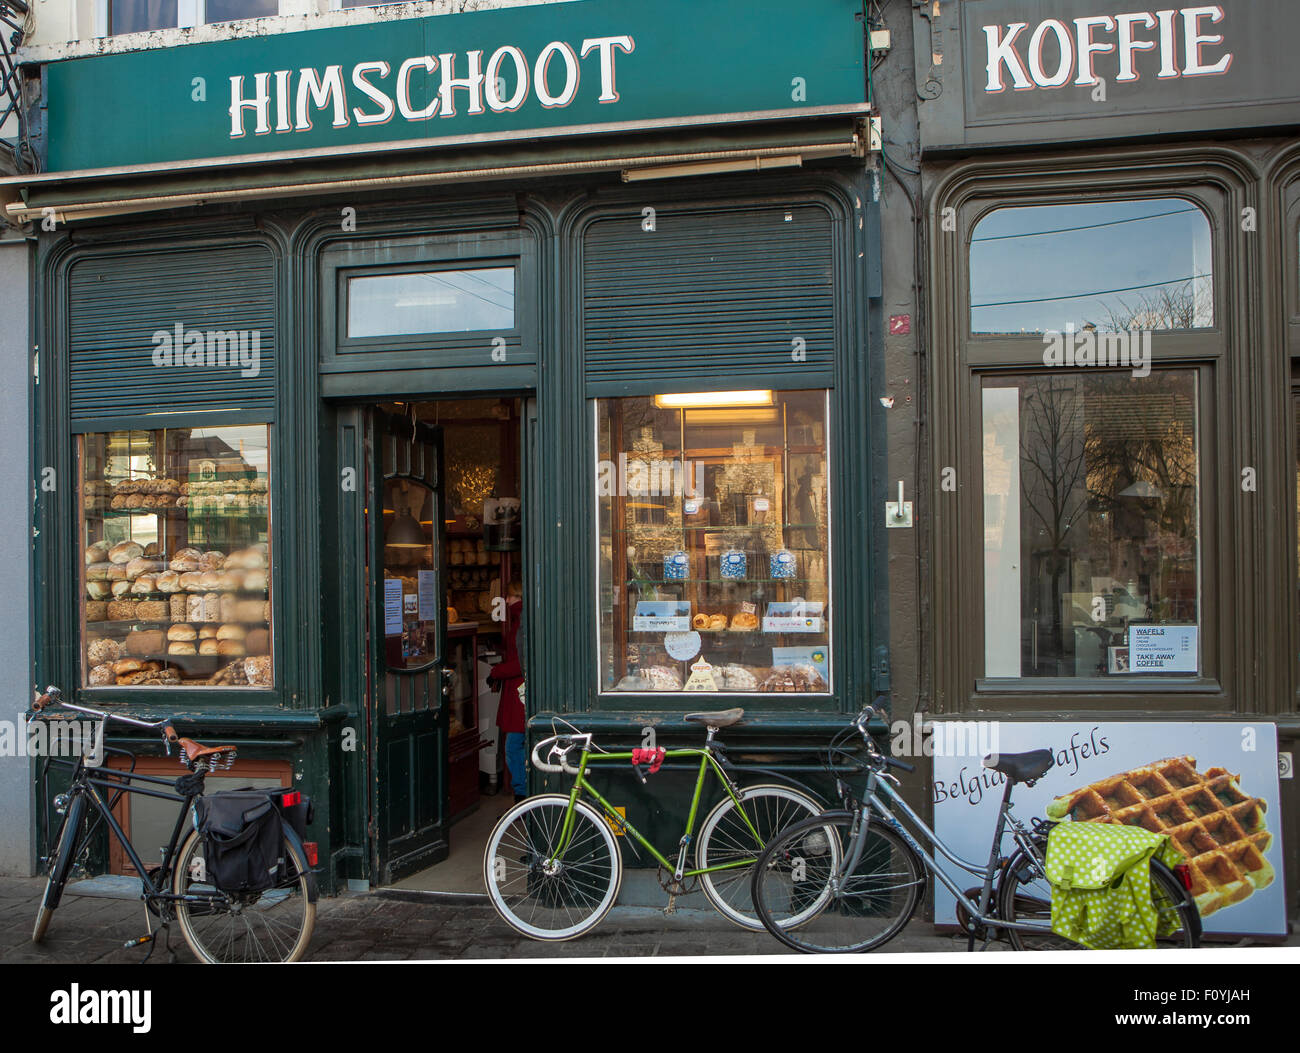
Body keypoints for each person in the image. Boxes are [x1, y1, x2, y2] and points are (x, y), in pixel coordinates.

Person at [489, 580, 527, 802]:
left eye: (510, 596)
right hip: (517, 689)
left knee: (513, 744)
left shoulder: (520, 619)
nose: (506, 600)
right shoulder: (519, 619)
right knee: (517, 742)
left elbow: (521, 661)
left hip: (518, 691)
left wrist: (496, 671)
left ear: (517, 597)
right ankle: (522, 791)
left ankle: (521, 794)